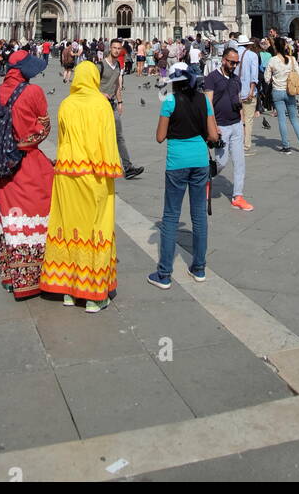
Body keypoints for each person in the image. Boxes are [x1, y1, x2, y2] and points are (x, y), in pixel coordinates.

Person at [40, 60, 124, 312]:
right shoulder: (101, 104)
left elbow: (62, 140)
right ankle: (94, 296)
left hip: (66, 172)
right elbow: (108, 141)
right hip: (93, 173)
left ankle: (67, 290)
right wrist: (111, 169)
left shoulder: (66, 104)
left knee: (68, 227)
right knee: (96, 228)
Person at [148, 62, 218, 288]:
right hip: (200, 162)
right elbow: (214, 135)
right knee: (198, 216)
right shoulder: (204, 100)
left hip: (177, 163)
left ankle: (164, 274)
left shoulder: (169, 101)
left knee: (170, 217)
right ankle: (199, 269)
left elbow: (160, 137)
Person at [0, 51, 55, 297]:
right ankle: (34, 278)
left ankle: (12, 277)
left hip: (4, 167)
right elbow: (44, 128)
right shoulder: (33, 92)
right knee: (36, 217)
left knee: (11, 220)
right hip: (28, 163)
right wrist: (24, 143)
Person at [202, 47, 253, 210]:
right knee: (222, 162)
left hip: (236, 124)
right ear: (223, 60)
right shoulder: (211, 78)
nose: (234, 65)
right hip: (221, 126)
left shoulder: (236, 79)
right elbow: (208, 104)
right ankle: (205, 178)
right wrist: (213, 127)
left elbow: (238, 101)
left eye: (236, 63)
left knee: (240, 163)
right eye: (232, 62)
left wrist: (243, 123)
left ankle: (238, 196)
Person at [99, 38, 143, 180]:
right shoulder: (99, 66)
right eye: (114, 48)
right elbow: (89, 85)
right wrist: (100, 94)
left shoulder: (118, 65)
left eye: (119, 48)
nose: (117, 50)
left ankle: (128, 167)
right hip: (98, 106)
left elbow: (117, 85)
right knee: (99, 136)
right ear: (109, 48)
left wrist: (120, 102)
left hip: (111, 105)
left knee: (119, 137)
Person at [265, 36, 299, 154]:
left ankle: (286, 146)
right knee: (294, 119)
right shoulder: (293, 60)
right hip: (290, 91)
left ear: (275, 47)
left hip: (277, 92)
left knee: (282, 120)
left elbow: (266, 78)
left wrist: (275, 78)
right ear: (285, 46)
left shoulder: (272, 60)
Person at [237, 37, 260, 153]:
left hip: (235, 93)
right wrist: (251, 91)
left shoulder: (233, 54)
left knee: (238, 120)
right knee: (248, 119)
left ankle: (237, 143)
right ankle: (246, 145)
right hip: (248, 92)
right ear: (248, 45)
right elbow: (254, 76)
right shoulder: (252, 55)